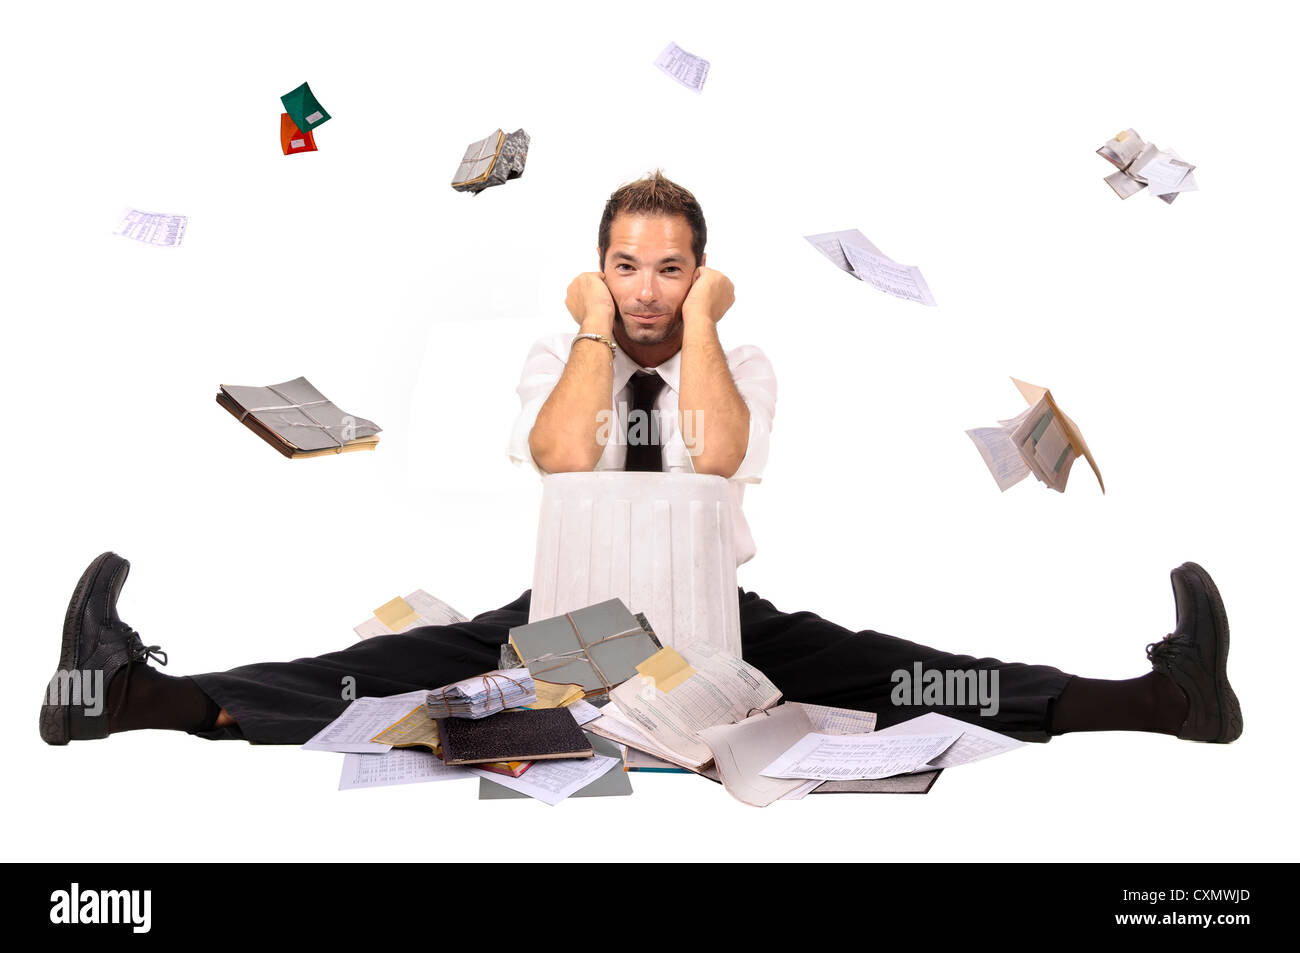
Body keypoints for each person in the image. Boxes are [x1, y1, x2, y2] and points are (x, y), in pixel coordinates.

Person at [39, 172, 1242, 749]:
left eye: (672, 269)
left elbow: (717, 457)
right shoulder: (561, 357)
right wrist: (584, 330)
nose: (649, 290)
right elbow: (565, 454)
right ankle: (127, 693)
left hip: (710, 617)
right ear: (599, 270)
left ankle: (1166, 700)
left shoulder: (741, 356)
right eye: (628, 266)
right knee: (374, 668)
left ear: (700, 273)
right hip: (570, 622)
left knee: (912, 673)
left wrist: (713, 323)